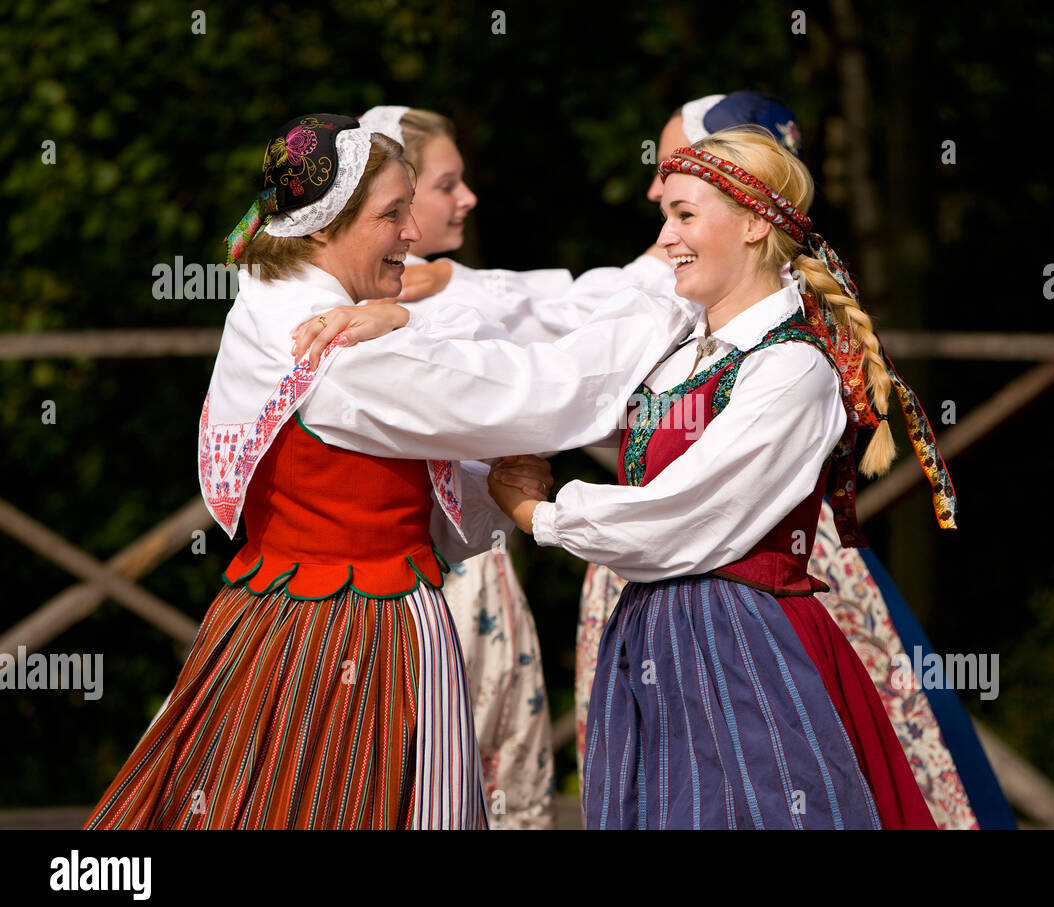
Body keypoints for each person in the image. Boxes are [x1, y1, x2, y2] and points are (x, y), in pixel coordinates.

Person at [83, 113, 696, 830]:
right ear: (321, 227)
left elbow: (465, 345)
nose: (412, 233)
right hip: (364, 630)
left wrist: (409, 319)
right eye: (392, 214)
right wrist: (678, 297)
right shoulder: (346, 352)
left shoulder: (270, 294)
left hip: (269, 615)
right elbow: (542, 388)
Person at [572, 92, 1014, 829]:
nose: (663, 222)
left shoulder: (787, 362)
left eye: (682, 212)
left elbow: (692, 511)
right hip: (654, 621)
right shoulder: (683, 342)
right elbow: (566, 338)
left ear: (752, 221)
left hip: (743, 624)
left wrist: (544, 512)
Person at [355, 104, 557, 830]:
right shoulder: (338, 306)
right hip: (403, 589)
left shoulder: (471, 291)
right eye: (448, 184)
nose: (466, 198)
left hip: (478, 578)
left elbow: (566, 314)